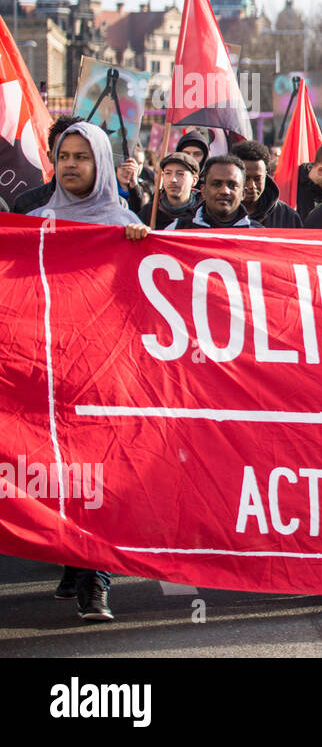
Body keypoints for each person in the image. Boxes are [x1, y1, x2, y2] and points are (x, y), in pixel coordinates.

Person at [41, 120, 150, 622]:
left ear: (101, 163)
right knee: (62, 476)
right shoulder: (37, 221)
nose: (71, 165)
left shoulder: (124, 222)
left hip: (105, 372)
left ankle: (95, 583)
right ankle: (72, 558)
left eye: (83, 157)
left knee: (101, 475)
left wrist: (139, 246)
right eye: (65, 156)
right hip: (48, 372)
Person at [164, 155, 264, 229]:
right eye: (217, 184)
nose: (225, 191)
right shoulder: (177, 230)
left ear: (243, 193)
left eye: (232, 185)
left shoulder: (258, 236)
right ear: (203, 191)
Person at [12, 115, 79, 214]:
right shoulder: (25, 205)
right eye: (63, 155)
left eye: (80, 156)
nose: (71, 164)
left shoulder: (108, 208)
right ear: (50, 156)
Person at [230, 140, 303, 228]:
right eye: (246, 178)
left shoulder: (287, 216)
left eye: (258, 179)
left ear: (266, 175)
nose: (251, 185)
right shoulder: (217, 213)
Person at [149, 151, 200, 228]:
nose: (173, 179)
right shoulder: (150, 211)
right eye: (168, 173)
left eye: (180, 174)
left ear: (194, 180)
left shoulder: (203, 213)